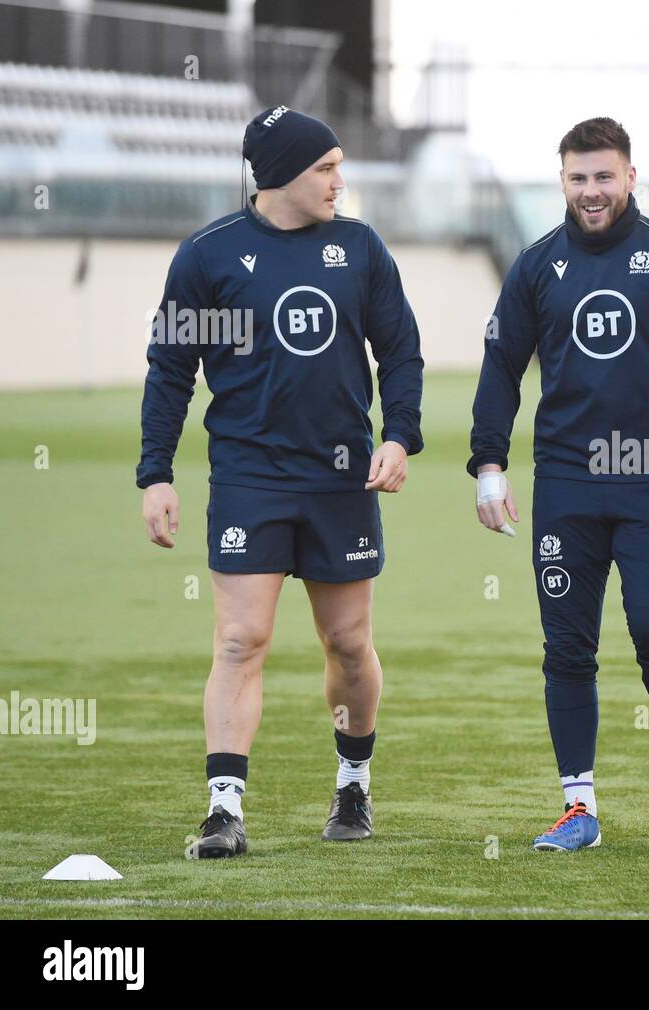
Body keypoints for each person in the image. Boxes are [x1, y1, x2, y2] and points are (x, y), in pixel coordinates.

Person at [137, 106, 424, 857]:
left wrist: (398, 435)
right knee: (239, 639)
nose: (339, 180)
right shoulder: (210, 255)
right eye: (325, 168)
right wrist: (156, 473)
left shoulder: (359, 249)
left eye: (337, 166)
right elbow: (170, 371)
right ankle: (224, 810)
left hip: (341, 483)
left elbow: (400, 352)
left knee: (349, 644)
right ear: (281, 176)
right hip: (247, 479)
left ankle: (353, 783)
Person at [469, 117, 649, 851]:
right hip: (566, 483)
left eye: (605, 177)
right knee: (567, 649)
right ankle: (578, 806)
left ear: (630, 177)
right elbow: (500, 366)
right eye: (579, 178)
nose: (592, 191)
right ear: (562, 180)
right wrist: (488, 462)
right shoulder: (534, 266)